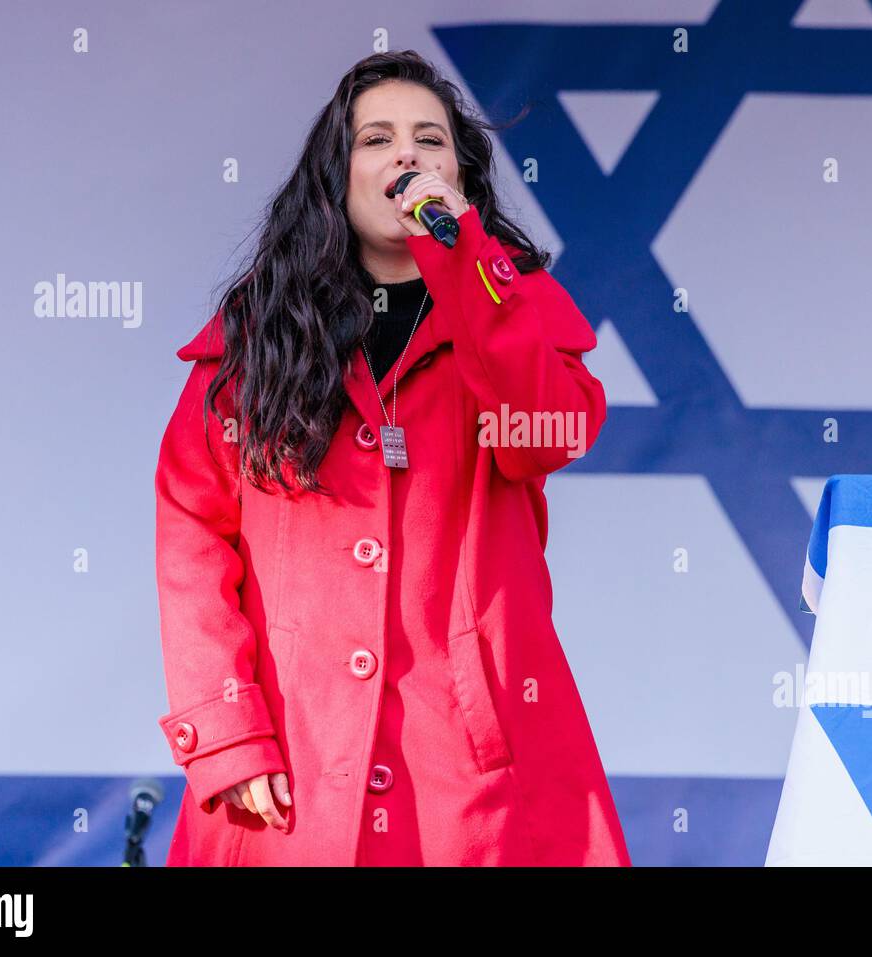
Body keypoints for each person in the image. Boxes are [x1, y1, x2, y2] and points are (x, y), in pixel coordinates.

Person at [153, 49, 631, 866]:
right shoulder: (258, 334)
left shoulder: (511, 302)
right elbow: (192, 534)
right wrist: (226, 730)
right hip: (293, 762)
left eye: (429, 140)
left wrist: (462, 258)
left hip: (473, 773)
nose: (406, 155)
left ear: (461, 176)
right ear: (337, 177)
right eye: (376, 139)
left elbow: (544, 430)